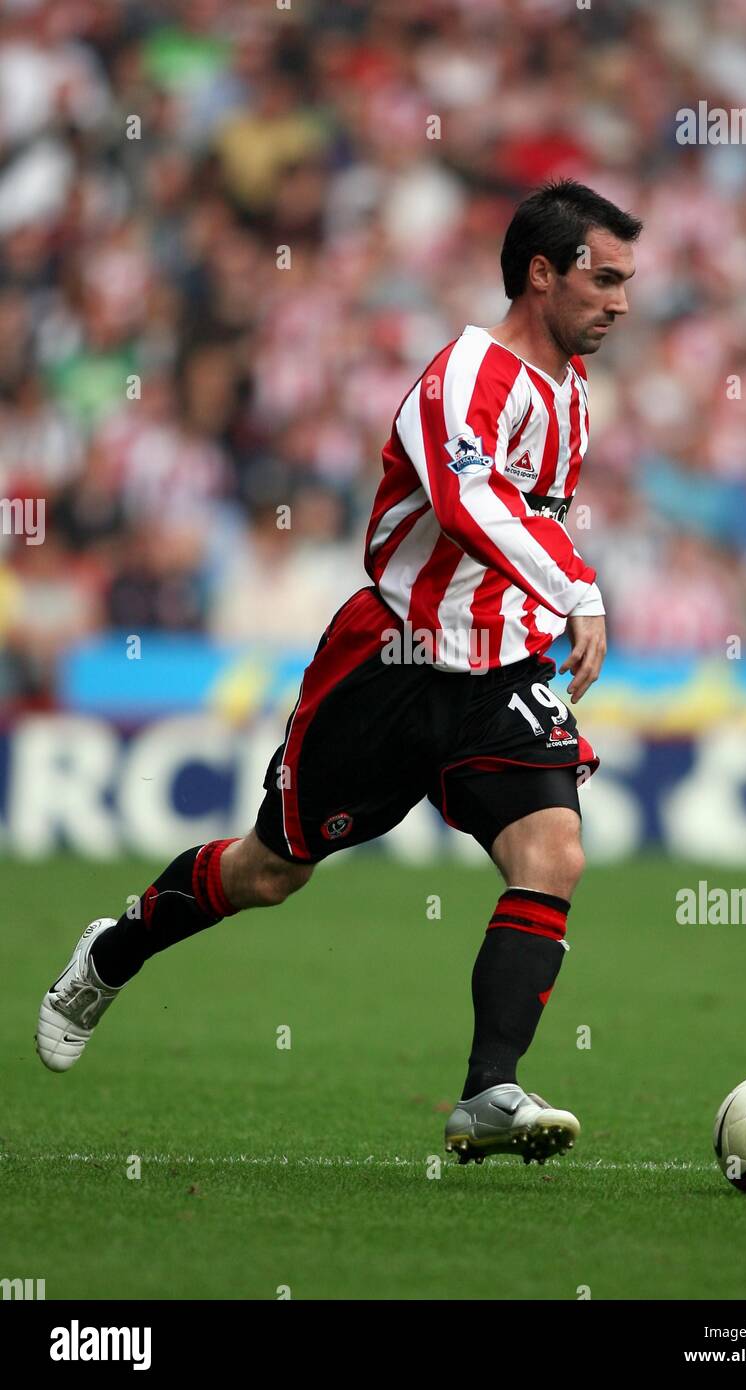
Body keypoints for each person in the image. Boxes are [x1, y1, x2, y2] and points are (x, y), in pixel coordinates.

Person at [36, 179, 641, 1166]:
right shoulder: (463, 378)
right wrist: (577, 588)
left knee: (553, 854)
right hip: (387, 660)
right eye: (602, 278)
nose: (619, 302)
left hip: (492, 676)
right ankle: (112, 953)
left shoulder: (570, 399)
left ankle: (487, 1090)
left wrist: (543, 653)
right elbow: (467, 506)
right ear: (541, 273)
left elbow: (524, 533)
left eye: (626, 282)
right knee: (268, 871)